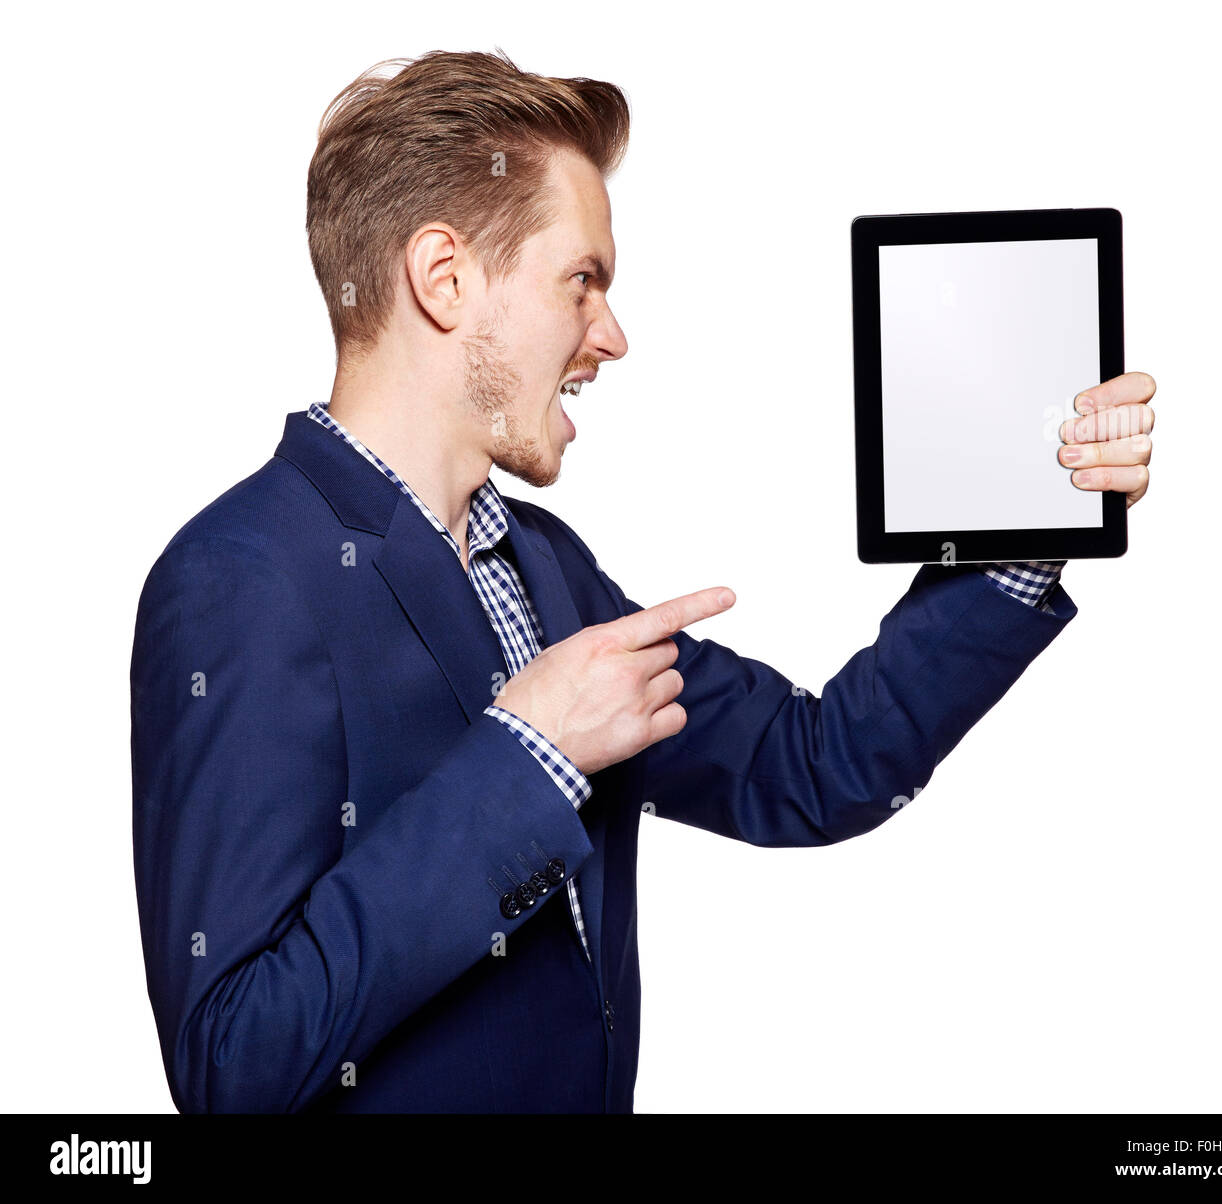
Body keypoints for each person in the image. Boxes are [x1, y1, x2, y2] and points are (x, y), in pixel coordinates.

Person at [129, 49, 1157, 1114]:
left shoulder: (546, 565)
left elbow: (815, 765)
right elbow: (231, 1059)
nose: (612, 336)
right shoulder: (239, 579)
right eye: (583, 280)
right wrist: (526, 763)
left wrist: (1032, 520)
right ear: (445, 281)